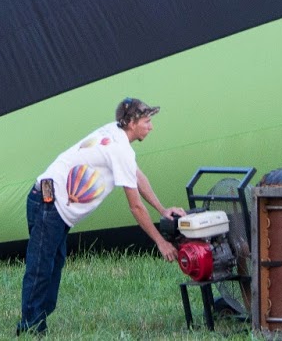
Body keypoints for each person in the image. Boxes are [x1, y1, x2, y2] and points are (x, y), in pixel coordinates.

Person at [16, 98, 184, 335]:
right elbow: (135, 207)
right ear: (133, 123)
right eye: (147, 121)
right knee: (42, 268)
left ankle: (37, 323)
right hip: (48, 203)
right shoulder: (120, 149)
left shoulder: (116, 133)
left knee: (53, 266)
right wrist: (160, 241)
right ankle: (29, 329)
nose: (151, 126)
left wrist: (162, 210)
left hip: (53, 205)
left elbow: (137, 176)